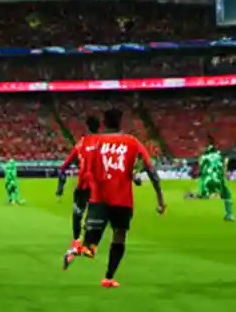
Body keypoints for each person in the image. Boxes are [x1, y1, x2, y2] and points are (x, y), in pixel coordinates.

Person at [62, 108, 165, 288]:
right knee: (119, 235)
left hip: (99, 199)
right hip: (122, 200)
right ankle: (108, 278)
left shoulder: (96, 142)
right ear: (120, 122)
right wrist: (160, 199)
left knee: (91, 245)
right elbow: (151, 170)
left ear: (104, 123)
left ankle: (75, 250)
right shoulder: (132, 141)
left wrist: (83, 194)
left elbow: (88, 170)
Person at [56, 115, 100, 252]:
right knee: (96, 214)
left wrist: (60, 187)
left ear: (87, 127)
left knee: (77, 214)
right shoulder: (104, 143)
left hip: (83, 185)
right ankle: (90, 243)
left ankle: (76, 241)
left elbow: (63, 167)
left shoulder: (81, 143)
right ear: (99, 127)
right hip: (99, 186)